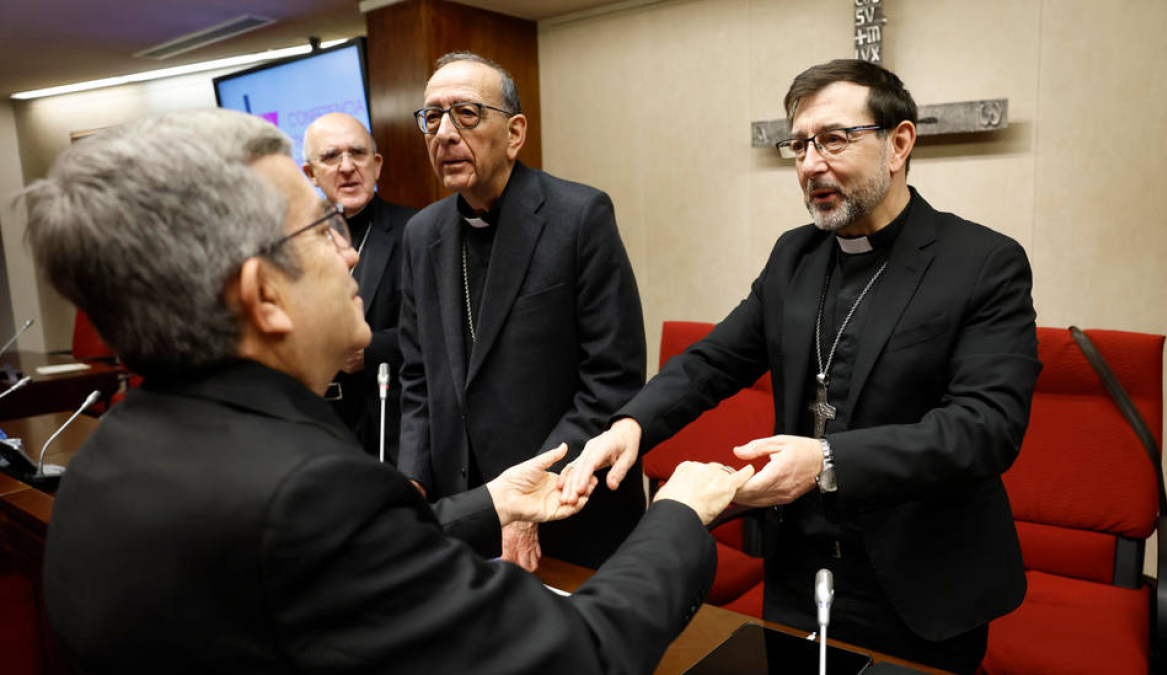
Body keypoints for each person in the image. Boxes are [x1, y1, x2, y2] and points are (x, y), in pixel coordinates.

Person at [27, 109, 754, 673]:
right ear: (265, 296)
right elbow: (578, 655)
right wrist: (680, 516)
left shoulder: (106, 456)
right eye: (321, 227)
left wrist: (492, 499)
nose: (351, 252)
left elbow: (321, 575)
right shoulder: (311, 492)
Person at [563, 59, 1041, 673]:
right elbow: (713, 361)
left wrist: (828, 462)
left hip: (920, 581)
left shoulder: (983, 261)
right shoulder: (795, 255)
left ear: (899, 144)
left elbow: (986, 427)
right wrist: (630, 425)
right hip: (797, 569)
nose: (811, 163)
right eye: (799, 144)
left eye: (834, 140)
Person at [398, 52, 647, 570]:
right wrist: (413, 481)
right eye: (431, 117)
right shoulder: (422, 233)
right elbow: (417, 376)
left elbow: (611, 379)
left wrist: (530, 499)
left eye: (465, 113)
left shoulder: (579, 216)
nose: (444, 133)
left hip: (569, 508)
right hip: (466, 510)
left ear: (514, 133)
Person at [302, 112, 417, 462]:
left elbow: (446, 334)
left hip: (395, 424)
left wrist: (370, 351)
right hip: (321, 429)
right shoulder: (295, 242)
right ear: (311, 174)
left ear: (377, 164)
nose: (347, 166)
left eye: (358, 153)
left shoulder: (416, 231)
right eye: (331, 156)